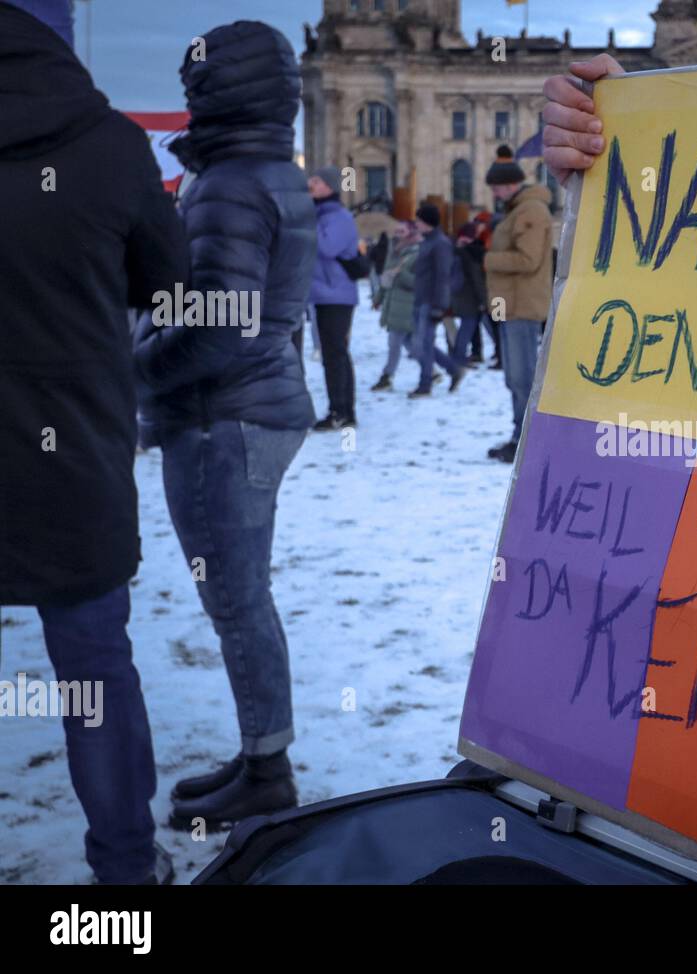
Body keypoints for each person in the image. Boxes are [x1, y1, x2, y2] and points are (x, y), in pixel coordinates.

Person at [0, 0, 186, 884]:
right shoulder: (111, 143)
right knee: (95, 674)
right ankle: (124, 876)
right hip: (71, 459)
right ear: (62, 33)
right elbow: (169, 284)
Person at [134, 19, 316, 831]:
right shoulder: (269, 169)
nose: (188, 96)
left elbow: (220, 324)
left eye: (195, 83)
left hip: (224, 417)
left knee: (238, 601)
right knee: (244, 598)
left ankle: (267, 771)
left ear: (219, 90)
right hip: (256, 404)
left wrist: (133, 370)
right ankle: (258, 754)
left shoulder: (232, 181)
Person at [483, 161, 554, 463]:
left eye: (497, 187)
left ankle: (527, 442)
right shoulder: (517, 210)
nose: (495, 194)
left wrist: (487, 258)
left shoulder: (531, 211)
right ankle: (519, 436)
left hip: (522, 306)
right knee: (514, 377)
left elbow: (528, 260)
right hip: (510, 305)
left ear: (511, 184)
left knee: (522, 378)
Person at [308, 165, 360, 430]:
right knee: (333, 354)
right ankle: (341, 409)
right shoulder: (322, 214)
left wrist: (308, 223)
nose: (311, 184)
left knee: (336, 354)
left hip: (336, 294)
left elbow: (328, 248)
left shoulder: (338, 216)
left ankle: (342, 411)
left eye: (315, 181)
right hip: (324, 293)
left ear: (329, 186)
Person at [410, 202, 465, 398]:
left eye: (418, 220)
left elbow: (443, 276)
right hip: (420, 299)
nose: (416, 224)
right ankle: (453, 370)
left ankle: (425, 384)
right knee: (422, 344)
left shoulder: (440, 243)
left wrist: (439, 306)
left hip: (430, 302)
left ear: (427, 222)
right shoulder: (427, 241)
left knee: (423, 344)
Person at [371, 220, 422, 391]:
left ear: (411, 232)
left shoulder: (417, 251)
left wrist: (401, 274)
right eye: (397, 231)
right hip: (394, 303)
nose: (398, 234)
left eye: (402, 231)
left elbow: (418, 283)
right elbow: (386, 277)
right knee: (409, 343)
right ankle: (436, 370)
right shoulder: (394, 250)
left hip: (408, 304)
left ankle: (387, 376)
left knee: (394, 342)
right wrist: (378, 298)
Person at [451, 221, 493, 366]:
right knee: (497, 325)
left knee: (479, 326)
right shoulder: (475, 250)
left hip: (480, 296)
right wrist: (484, 301)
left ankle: (477, 353)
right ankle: (470, 354)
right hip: (486, 296)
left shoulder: (457, 249)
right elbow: (477, 278)